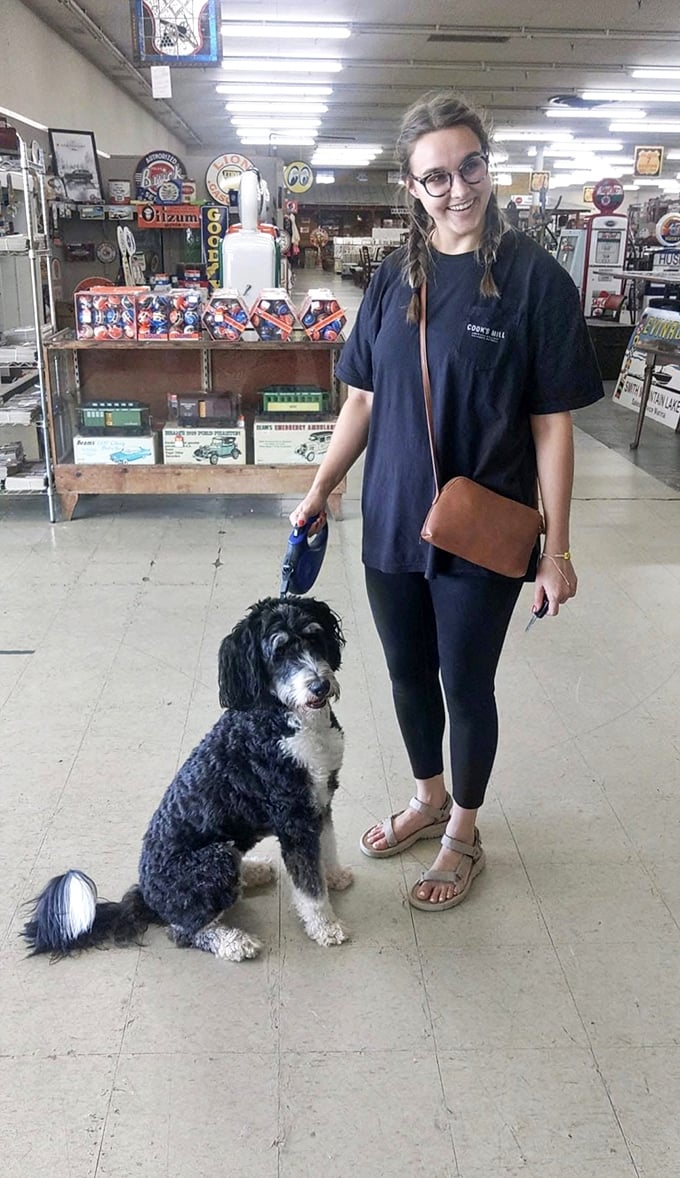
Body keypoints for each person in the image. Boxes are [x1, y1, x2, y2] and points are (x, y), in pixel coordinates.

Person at [290, 91, 603, 912]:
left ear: (488, 166)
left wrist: (558, 550)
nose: (457, 189)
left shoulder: (534, 280)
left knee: (465, 683)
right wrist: (320, 488)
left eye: (470, 168)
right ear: (412, 186)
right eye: (436, 176)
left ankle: (464, 828)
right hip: (393, 520)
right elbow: (361, 400)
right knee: (406, 674)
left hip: (479, 530)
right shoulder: (393, 278)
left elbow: (552, 426)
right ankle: (428, 797)